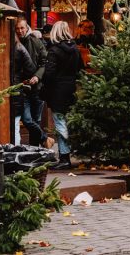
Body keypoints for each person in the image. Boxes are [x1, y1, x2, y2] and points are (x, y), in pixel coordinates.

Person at [42, 20, 84, 169]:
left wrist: (44, 86)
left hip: (57, 91)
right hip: (71, 88)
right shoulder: (75, 49)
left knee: (60, 122)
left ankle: (65, 157)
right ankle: (68, 154)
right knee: (68, 121)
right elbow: (81, 68)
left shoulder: (54, 50)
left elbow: (49, 74)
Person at [15, 19, 51, 149]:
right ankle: (46, 138)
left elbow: (44, 63)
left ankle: (34, 150)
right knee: (27, 120)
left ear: (27, 28)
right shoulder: (14, 42)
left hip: (37, 88)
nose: (20, 31)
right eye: (17, 29)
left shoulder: (36, 42)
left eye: (22, 28)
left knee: (36, 121)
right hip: (23, 88)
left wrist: (37, 76)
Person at [11, 39, 38, 145]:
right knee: (16, 124)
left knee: (17, 122)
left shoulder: (18, 47)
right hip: (17, 86)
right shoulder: (19, 47)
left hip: (12, 87)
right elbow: (31, 68)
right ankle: (15, 151)